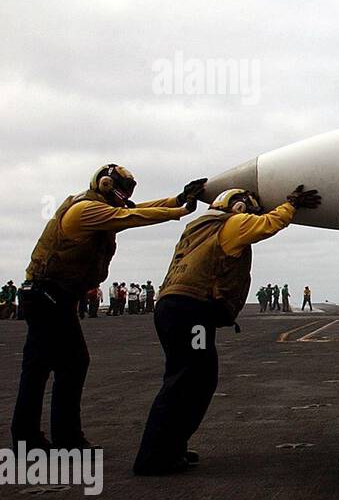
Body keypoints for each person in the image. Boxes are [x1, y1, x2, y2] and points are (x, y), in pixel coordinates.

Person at [13, 165, 205, 450]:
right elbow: (131, 216)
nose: (124, 197)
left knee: (40, 368)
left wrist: (176, 200)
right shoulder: (86, 211)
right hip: (50, 298)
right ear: (105, 185)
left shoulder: (95, 205)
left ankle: (30, 438)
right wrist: (179, 211)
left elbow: (133, 209)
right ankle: (63, 439)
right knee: (71, 364)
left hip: (48, 297)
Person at [134, 185, 321, 475]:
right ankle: (155, 458)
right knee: (188, 382)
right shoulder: (232, 224)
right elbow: (268, 225)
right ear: (238, 206)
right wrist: (291, 205)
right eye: (249, 206)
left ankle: (171, 448)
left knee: (190, 380)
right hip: (190, 310)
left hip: (173, 308)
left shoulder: (198, 227)